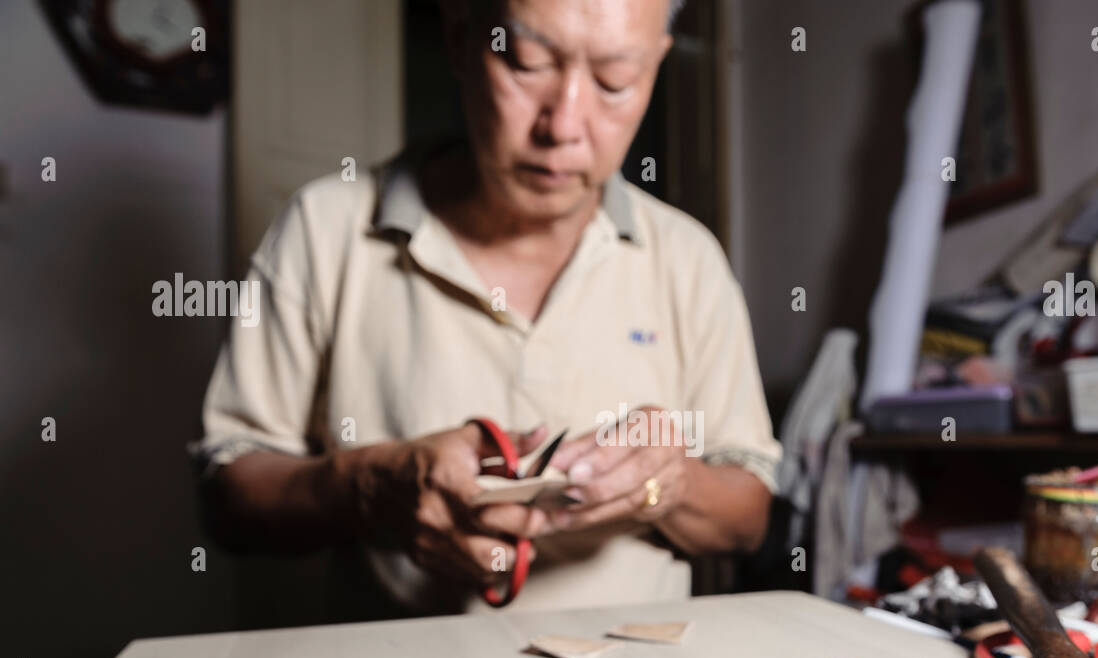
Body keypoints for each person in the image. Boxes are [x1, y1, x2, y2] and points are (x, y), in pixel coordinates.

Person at [192, 0, 781, 616]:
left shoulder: (688, 258)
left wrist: (674, 483)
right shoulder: (325, 229)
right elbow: (227, 501)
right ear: (458, 37)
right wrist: (371, 485)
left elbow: (749, 519)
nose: (563, 126)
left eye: (615, 79)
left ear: (656, 65)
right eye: (526, 62)